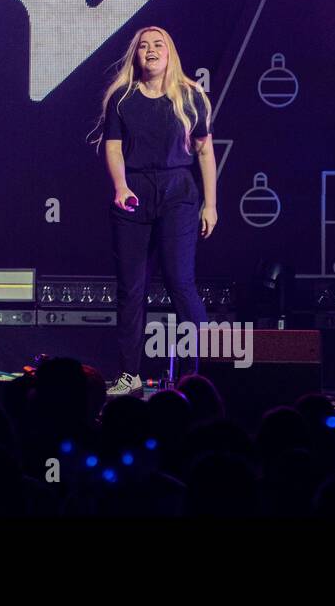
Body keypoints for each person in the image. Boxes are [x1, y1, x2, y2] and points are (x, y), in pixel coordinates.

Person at [90, 26, 218, 397]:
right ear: (136, 55)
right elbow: (113, 148)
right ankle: (129, 374)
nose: (150, 50)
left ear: (169, 52)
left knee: (180, 281)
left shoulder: (190, 96)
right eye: (143, 45)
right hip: (134, 194)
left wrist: (211, 204)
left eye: (157, 44)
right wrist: (121, 187)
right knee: (132, 288)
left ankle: (206, 370)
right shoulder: (122, 98)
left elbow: (205, 152)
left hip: (179, 191)